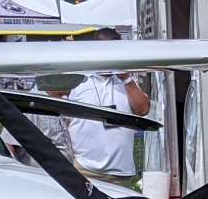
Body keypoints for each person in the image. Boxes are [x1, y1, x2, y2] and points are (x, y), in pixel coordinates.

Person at [64, 28, 152, 188]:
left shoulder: (126, 82)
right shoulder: (79, 79)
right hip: (86, 169)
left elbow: (143, 109)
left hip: (120, 173)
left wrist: (126, 78)